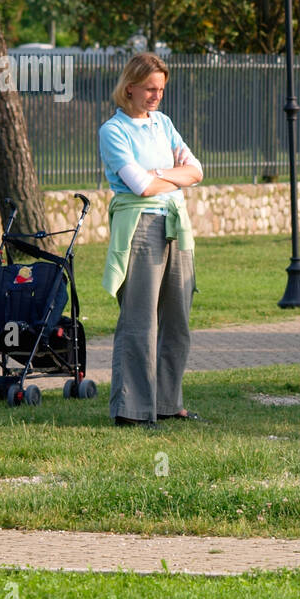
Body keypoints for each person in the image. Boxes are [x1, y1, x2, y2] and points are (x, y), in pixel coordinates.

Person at [99, 52, 203, 426]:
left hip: (176, 225)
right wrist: (172, 176)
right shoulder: (113, 131)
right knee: (140, 321)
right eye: (149, 89)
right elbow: (140, 187)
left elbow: (197, 171)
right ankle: (131, 409)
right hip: (139, 227)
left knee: (177, 320)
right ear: (130, 88)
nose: (156, 96)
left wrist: (161, 172)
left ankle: (167, 403)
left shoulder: (163, 124)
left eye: (160, 89)